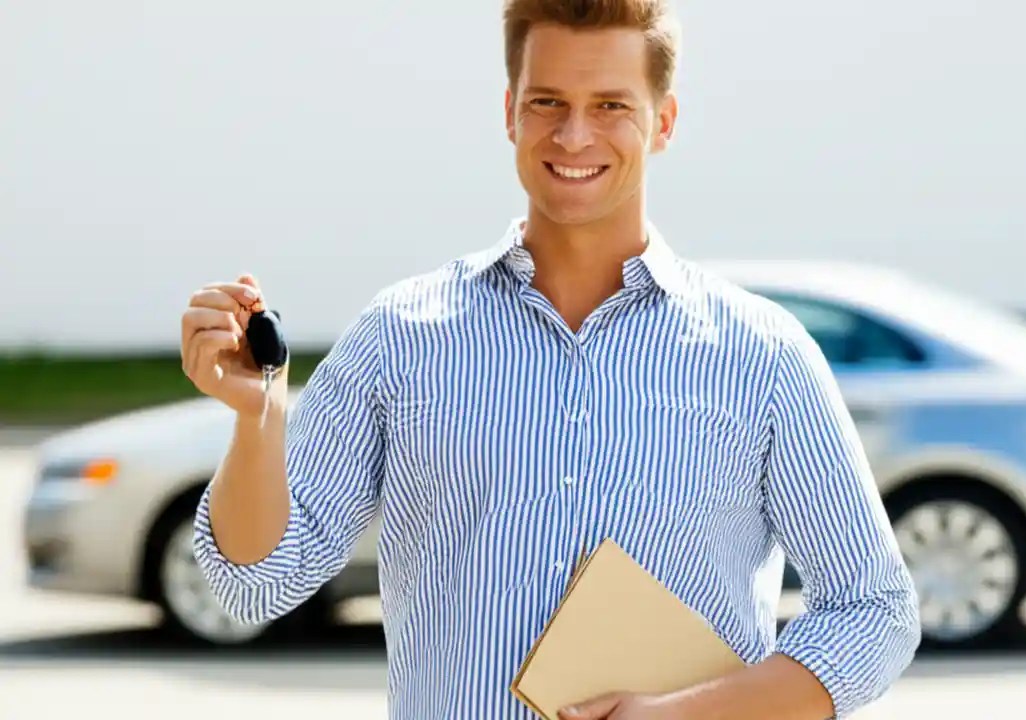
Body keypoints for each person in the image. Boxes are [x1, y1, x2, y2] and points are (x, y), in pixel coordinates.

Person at [178, 0, 920, 717]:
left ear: (662, 122)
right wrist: (258, 418)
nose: (572, 135)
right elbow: (252, 584)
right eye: (546, 103)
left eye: (610, 106)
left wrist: (689, 715)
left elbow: (874, 611)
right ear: (509, 113)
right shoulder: (400, 338)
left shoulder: (763, 357)